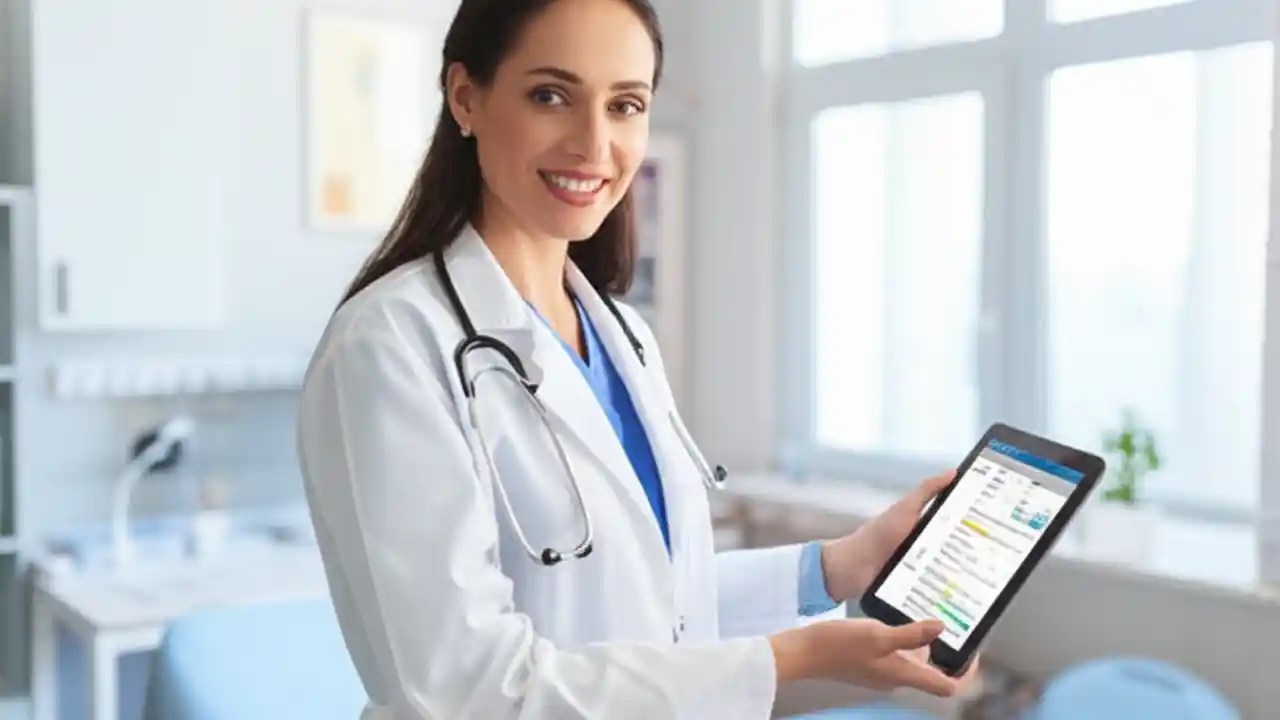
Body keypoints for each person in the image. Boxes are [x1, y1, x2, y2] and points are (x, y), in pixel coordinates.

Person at [295, 0, 979, 717]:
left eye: (625, 105)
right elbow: (467, 687)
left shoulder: (621, 334)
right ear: (466, 97)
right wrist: (789, 659)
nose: (595, 144)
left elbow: (654, 599)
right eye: (551, 96)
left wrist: (839, 565)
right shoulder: (391, 343)